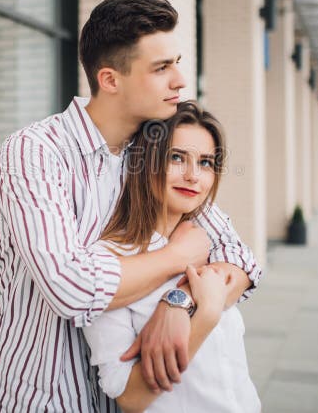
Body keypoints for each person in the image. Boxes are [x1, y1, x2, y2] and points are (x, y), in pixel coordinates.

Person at [0, 0, 261, 412]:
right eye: (162, 68)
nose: (180, 80)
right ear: (110, 79)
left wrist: (178, 301)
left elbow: (240, 257)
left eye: (176, 62)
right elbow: (71, 287)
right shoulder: (35, 151)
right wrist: (178, 256)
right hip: (40, 401)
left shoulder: (153, 156)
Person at [83, 101, 261, 413]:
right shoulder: (110, 259)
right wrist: (204, 317)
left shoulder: (209, 243)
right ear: (144, 163)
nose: (193, 176)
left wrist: (176, 302)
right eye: (177, 157)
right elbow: (129, 396)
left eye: (205, 163)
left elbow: (248, 266)